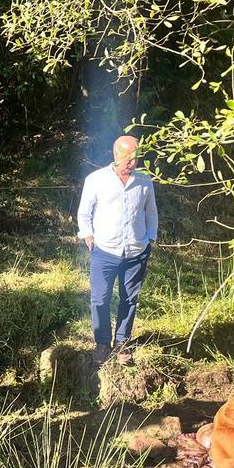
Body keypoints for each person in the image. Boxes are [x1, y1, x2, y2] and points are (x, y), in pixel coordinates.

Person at [77, 134, 158, 366]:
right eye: (128, 158)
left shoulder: (144, 181)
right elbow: (84, 212)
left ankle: (122, 343)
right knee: (100, 299)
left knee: (129, 299)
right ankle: (102, 344)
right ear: (115, 154)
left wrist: (149, 238)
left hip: (136, 252)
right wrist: (89, 237)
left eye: (136, 158)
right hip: (104, 251)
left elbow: (151, 213)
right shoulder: (96, 180)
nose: (132, 163)